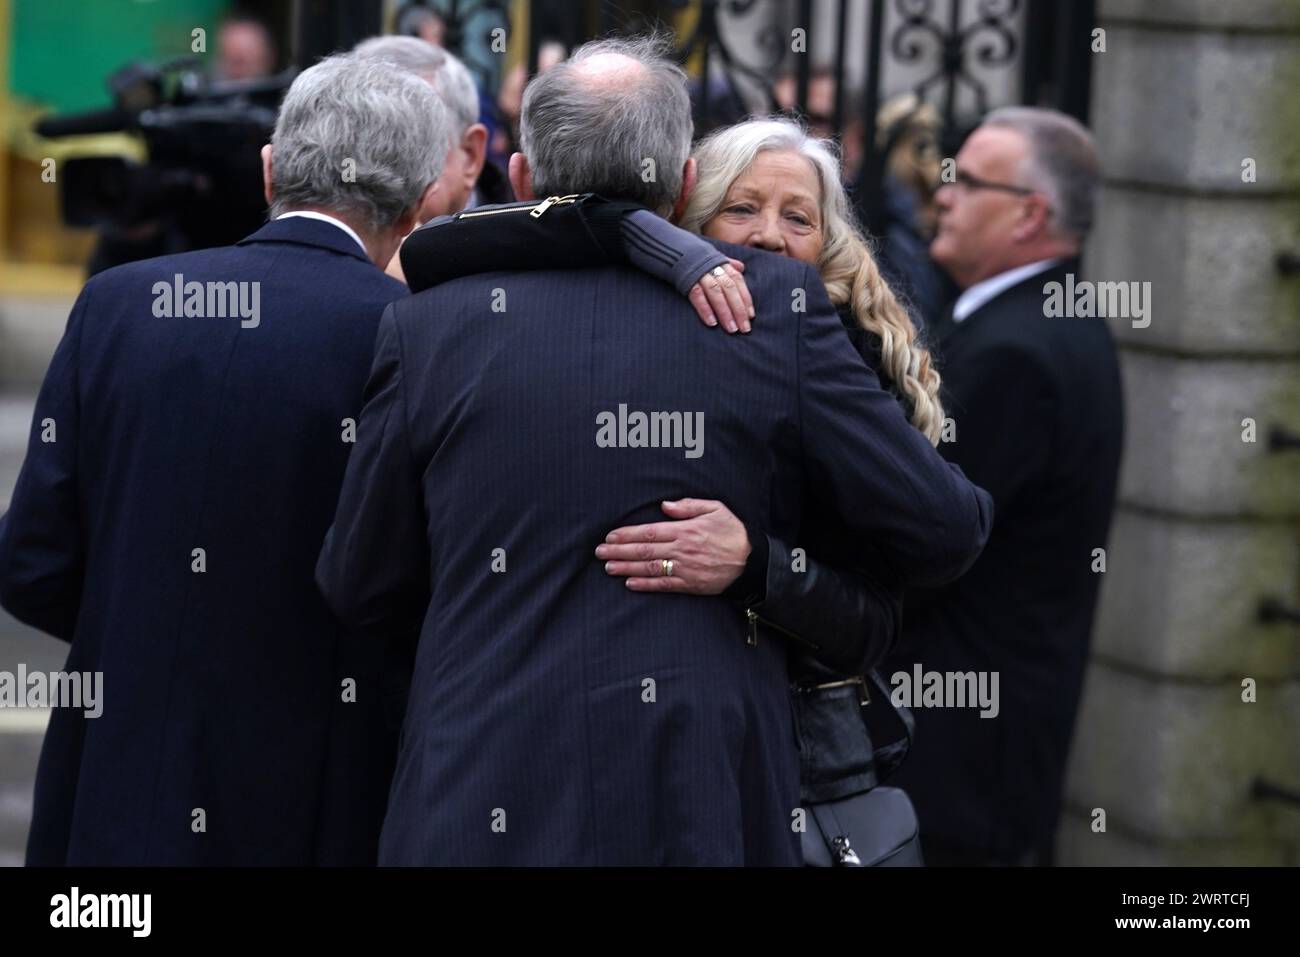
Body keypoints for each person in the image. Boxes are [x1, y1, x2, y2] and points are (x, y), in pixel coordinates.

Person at [317, 37, 991, 866]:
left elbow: (359, 580)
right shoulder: (767, 311)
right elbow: (946, 528)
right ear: (681, 190)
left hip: (477, 780)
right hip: (696, 797)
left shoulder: (424, 326)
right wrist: (763, 568)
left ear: (522, 179)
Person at [0, 54, 451, 864]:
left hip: (117, 790)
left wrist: (146, 630)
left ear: (271, 167)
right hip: (322, 797)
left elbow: (32, 560)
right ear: (421, 207)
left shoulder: (118, 304)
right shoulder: (423, 335)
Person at [885, 106, 1123, 866]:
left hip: (957, 767)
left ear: (1030, 215)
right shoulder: (1047, 321)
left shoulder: (1018, 352)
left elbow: (921, 544)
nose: (942, 191)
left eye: (968, 179)